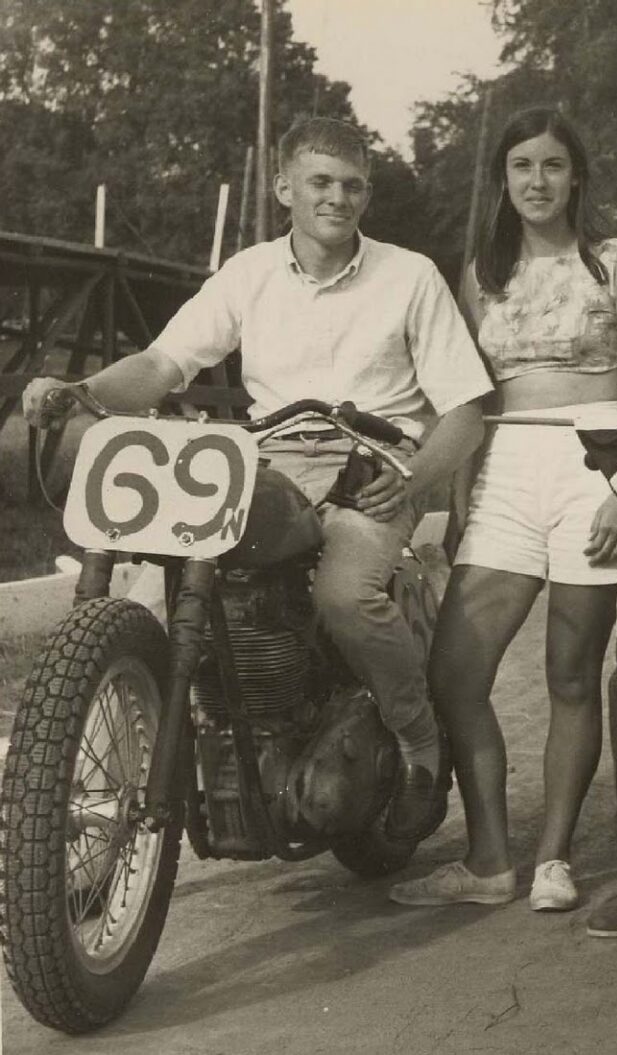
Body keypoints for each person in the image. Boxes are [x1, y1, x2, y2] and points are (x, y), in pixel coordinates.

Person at [22, 117, 490, 843]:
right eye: (320, 182)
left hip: (371, 464)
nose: (338, 198)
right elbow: (163, 362)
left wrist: (413, 478)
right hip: (264, 459)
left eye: (353, 185)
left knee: (343, 593)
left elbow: (464, 412)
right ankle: (115, 773)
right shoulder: (250, 271)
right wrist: (81, 391)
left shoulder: (411, 276)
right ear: (284, 188)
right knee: (155, 590)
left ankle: (417, 737)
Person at [388, 107, 617, 911]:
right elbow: (467, 396)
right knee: (456, 670)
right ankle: (488, 860)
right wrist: (461, 496)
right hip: (507, 465)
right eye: (521, 167)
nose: (536, 181)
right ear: (503, 180)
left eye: (551, 165)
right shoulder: (480, 271)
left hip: (596, 460)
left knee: (571, 672)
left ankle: (553, 860)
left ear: (576, 176)